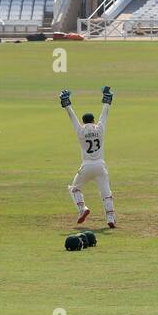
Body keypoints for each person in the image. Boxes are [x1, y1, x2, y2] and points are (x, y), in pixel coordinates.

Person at [60, 86, 117, 228]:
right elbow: (105, 113)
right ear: (93, 120)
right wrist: (107, 97)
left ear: (84, 121)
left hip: (86, 165)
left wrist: (66, 101)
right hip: (100, 166)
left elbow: (71, 116)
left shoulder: (80, 130)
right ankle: (110, 218)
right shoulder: (100, 129)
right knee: (106, 193)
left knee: (74, 189)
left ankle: (82, 209)